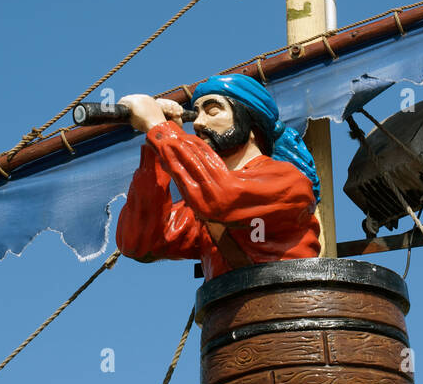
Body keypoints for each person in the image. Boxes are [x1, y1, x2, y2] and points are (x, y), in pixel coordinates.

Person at [115, 74, 321, 280]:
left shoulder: (287, 180)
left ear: (251, 124)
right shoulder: (203, 204)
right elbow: (138, 243)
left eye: (212, 110)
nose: (198, 123)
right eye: (195, 114)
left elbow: (224, 198)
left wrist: (159, 128)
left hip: (284, 309)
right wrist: (155, 152)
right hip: (226, 310)